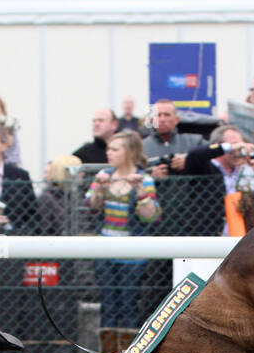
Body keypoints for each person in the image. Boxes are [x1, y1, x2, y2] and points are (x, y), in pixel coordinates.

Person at [86, 131, 161, 328]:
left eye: (114, 149)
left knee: (129, 305)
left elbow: (151, 215)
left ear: (129, 152)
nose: (108, 153)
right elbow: (92, 206)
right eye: (108, 149)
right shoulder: (103, 176)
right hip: (105, 249)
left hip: (132, 251)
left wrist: (139, 190)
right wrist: (100, 189)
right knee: (108, 305)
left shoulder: (144, 179)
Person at [142, 100, 204, 174]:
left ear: (176, 120)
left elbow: (214, 163)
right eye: (158, 115)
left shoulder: (195, 142)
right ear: (152, 121)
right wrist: (150, 174)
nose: (162, 119)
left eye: (167, 115)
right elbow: (132, 173)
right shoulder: (141, 147)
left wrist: (190, 162)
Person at [37, 154, 81, 236]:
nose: (82, 174)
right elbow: (44, 229)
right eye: (78, 171)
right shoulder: (47, 198)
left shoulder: (75, 195)